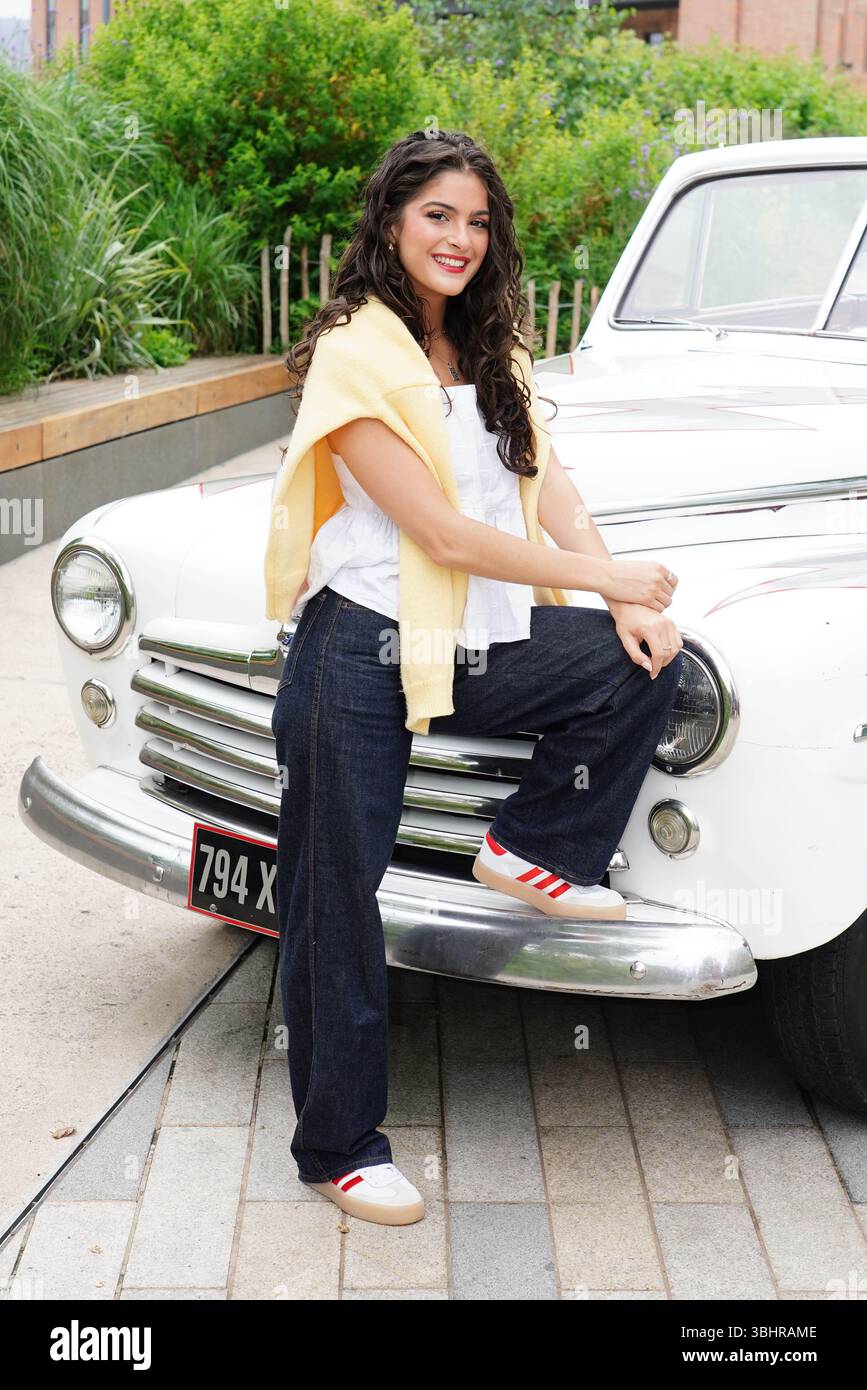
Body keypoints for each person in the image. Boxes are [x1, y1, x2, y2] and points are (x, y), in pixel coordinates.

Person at [267, 130, 684, 1227]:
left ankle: (532, 846)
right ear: (392, 222)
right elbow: (444, 536)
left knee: (644, 662)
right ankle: (339, 1146)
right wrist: (606, 576)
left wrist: (622, 601)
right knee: (334, 901)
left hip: (474, 639)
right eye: (437, 216)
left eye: (478, 221)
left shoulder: (490, 343)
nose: (460, 238)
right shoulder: (355, 350)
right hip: (359, 644)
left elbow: (550, 480)